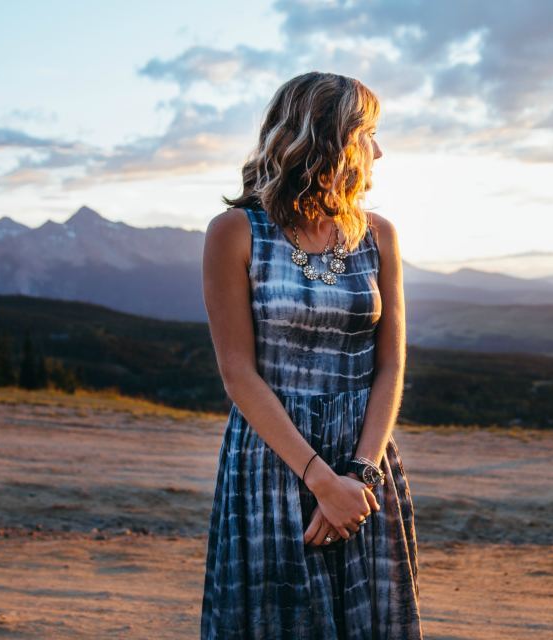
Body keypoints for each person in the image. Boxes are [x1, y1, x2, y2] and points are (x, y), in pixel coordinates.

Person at [199, 71, 422, 639]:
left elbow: (391, 365)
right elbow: (238, 373)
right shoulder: (235, 232)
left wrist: (358, 477)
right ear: (328, 140)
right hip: (273, 461)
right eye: (367, 133)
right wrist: (320, 480)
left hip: (363, 465)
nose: (378, 149)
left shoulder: (380, 235)